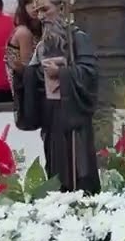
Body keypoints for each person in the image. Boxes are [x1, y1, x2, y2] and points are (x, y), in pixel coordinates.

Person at [14, 16, 101, 194]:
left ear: (61, 9)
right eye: (38, 12)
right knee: (55, 159)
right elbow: (36, 76)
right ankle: (58, 194)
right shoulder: (42, 46)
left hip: (73, 112)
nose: (41, 16)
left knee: (78, 162)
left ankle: (83, 194)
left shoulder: (78, 38)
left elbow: (89, 72)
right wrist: (24, 73)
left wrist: (62, 72)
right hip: (51, 114)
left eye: (46, 10)